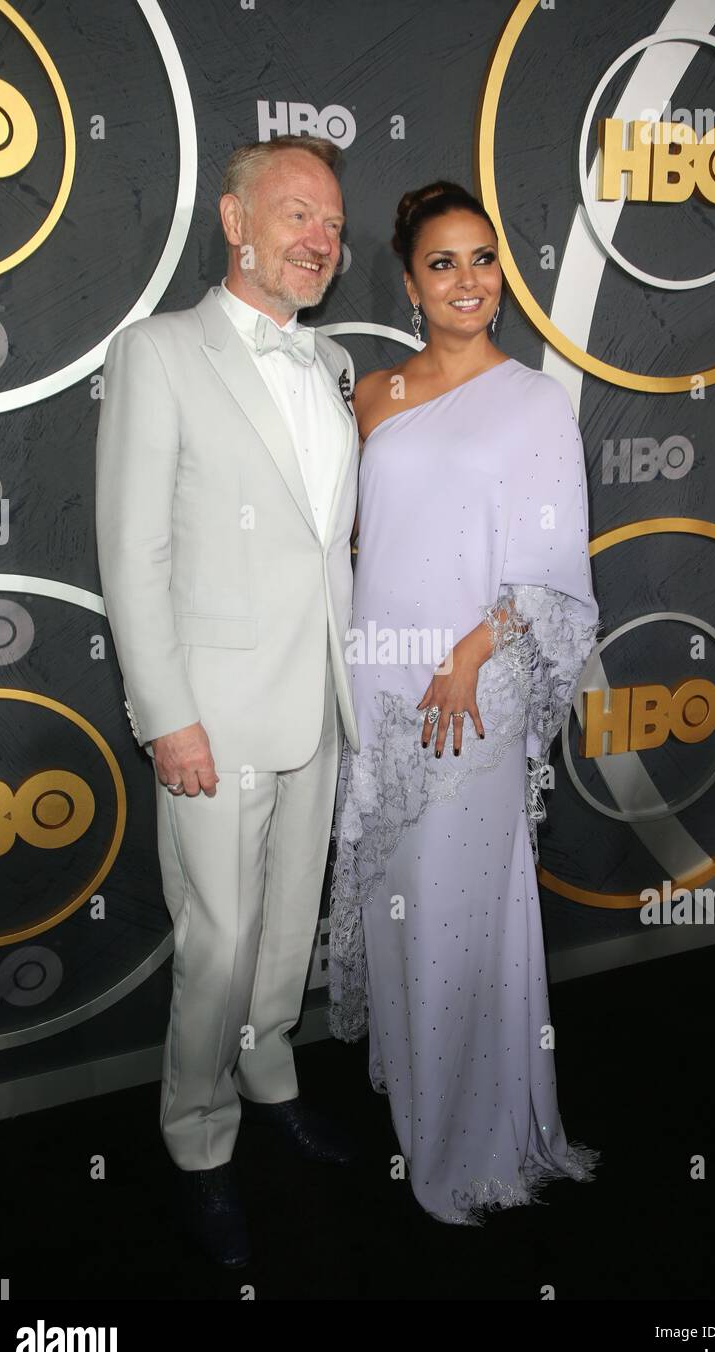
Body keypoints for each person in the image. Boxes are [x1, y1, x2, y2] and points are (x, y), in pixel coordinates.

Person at [95, 135, 360, 1267]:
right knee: (220, 941)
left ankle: (271, 1074)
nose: (318, 237)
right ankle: (198, 1140)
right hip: (212, 712)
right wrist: (167, 715)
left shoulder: (333, 364)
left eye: (332, 224)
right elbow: (131, 548)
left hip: (317, 706)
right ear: (234, 221)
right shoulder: (158, 352)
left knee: (286, 928)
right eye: (295, 213)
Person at [328, 180, 603, 1225]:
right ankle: (417, 1098)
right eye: (442, 263)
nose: (466, 280)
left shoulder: (534, 401)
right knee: (401, 900)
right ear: (408, 282)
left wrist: (467, 654)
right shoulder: (374, 397)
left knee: (460, 907)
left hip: (469, 688)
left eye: (481, 259)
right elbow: (358, 542)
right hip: (381, 679)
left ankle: (472, 1140)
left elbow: (546, 568)